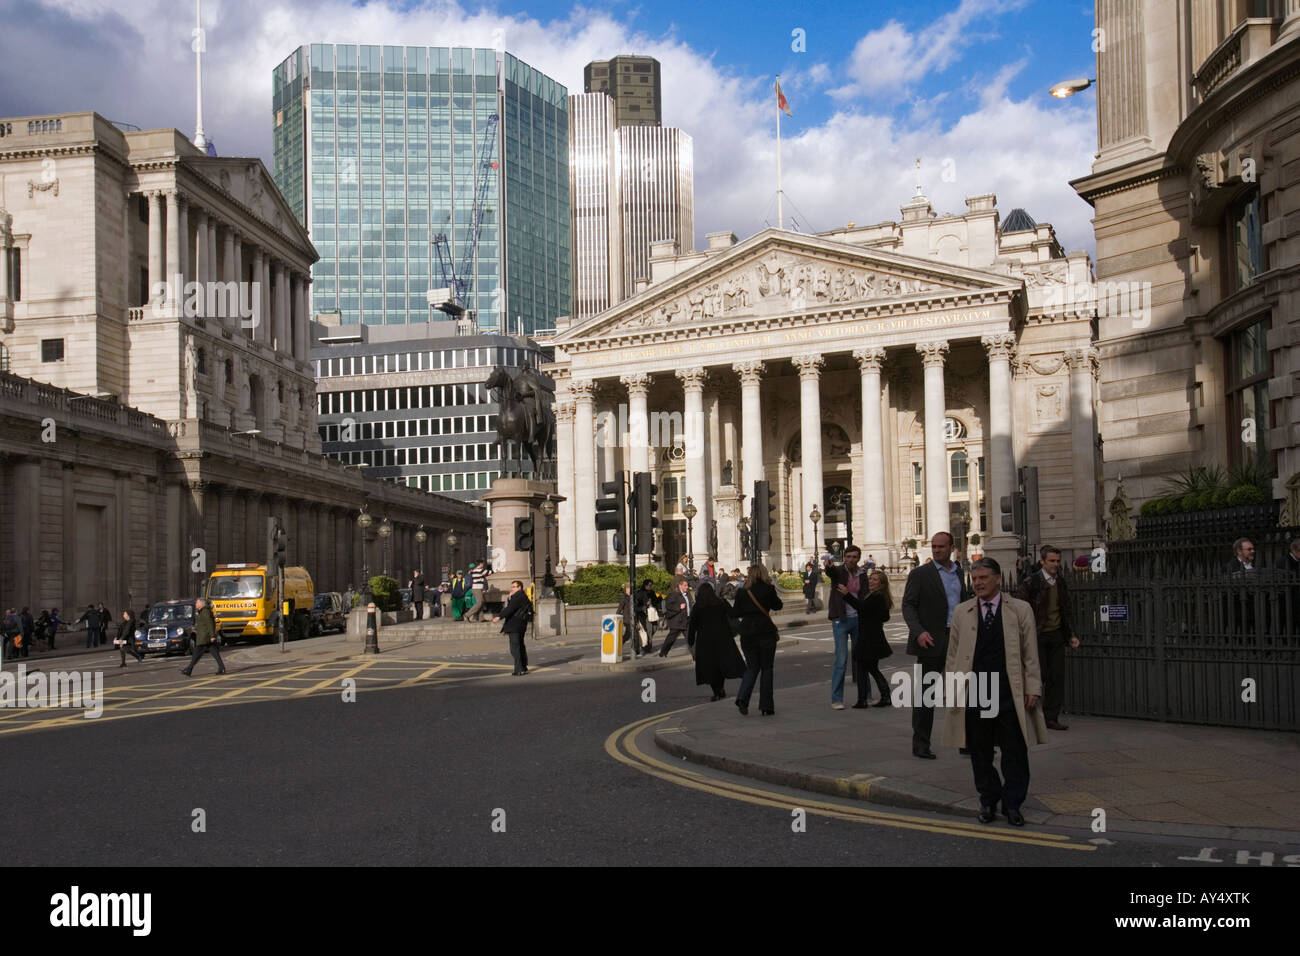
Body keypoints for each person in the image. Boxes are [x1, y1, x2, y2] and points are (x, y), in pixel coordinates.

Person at [941, 556, 1048, 827]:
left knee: (1015, 751)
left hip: (1009, 692)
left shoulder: (1020, 609)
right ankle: (988, 799)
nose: (978, 583)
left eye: (984, 578)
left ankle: (1012, 804)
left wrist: (1033, 687)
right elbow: (953, 655)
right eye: (975, 579)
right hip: (976, 692)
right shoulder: (962, 611)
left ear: (998, 579)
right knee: (980, 752)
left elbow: (1030, 653)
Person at [902, 531, 971, 759]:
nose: (937, 550)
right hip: (931, 640)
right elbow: (908, 606)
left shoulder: (958, 572)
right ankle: (921, 744)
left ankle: (964, 741)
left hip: (957, 637)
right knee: (926, 695)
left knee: (962, 691)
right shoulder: (920, 574)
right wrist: (919, 632)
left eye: (941, 546)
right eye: (934, 546)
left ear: (952, 547)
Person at [1015, 545, 1080, 731]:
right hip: (1038, 634)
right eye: (1052, 561)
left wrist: (1071, 634)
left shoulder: (1060, 582)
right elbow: (1020, 609)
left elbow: (1066, 610)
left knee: (1056, 677)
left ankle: (1051, 717)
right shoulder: (1031, 582)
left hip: (1057, 634)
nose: (1055, 564)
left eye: (1058, 561)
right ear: (1042, 561)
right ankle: (1030, 715)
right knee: (1039, 674)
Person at [731, 564, 783, 716]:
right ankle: (766, 706)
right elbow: (778, 606)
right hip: (765, 632)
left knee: (752, 667)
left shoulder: (742, 591)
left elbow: (736, 612)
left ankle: (742, 698)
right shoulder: (768, 589)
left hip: (747, 633)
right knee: (767, 668)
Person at [838, 569, 894, 708]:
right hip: (871, 635)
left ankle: (879, 697)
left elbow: (861, 608)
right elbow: (884, 616)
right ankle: (865, 698)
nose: (871, 581)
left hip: (870, 637)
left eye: (875, 579)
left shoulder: (877, 596)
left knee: (868, 668)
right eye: (870, 578)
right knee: (866, 668)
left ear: (881, 583)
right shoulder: (877, 595)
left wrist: (847, 594)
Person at [823, 546, 871, 709]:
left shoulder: (862, 574)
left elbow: (864, 595)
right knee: (841, 660)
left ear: (859, 558)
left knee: (862, 658)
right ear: (844, 557)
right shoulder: (839, 571)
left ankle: (866, 695)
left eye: (854, 557)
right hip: (841, 619)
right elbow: (831, 573)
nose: (851, 560)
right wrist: (828, 566)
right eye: (848, 556)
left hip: (858, 619)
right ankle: (837, 699)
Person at [689, 582, 746, 700]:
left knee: (710, 667)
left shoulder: (698, 606)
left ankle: (716, 691)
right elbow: (733, 614)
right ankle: (721, 688)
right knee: (721, 665)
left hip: (705, 641)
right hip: (722, 638)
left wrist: (691, 639)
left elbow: (692, 624)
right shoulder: (720, 603)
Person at [493, 580, 533, 675]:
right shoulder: (522, 596)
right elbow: (515, 607)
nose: (512, 589)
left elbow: (510, 608)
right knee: (520, 646)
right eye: (511, 587)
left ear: (519, 587)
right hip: (521, 624)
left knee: (515, 648)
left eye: (514, 587)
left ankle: (518, 669)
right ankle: (523, 667)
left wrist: (499, 617)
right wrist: (510, 598)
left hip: (515, 625)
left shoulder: (518, 596)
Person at [181, 598, 226, 676]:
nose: (196, 604)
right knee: (215, 653)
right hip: (205, 636)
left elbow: (210, 624)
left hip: (205, 637)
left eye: (197, 603)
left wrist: (212, 636)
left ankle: (189, 669)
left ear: (201, 604)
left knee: (196, 654)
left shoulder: (205, 612)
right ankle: (221, 668)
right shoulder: (202, 611)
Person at [659, 576, 692, 657]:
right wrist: (679, 607)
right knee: (671, 639)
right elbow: (669, 606)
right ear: (680, 586)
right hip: (677, 621)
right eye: (685, 585)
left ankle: (695, 656)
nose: (687, 587)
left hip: (686, 620)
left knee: (690, 639)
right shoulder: (673, 594)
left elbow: (690, 606)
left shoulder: (688, 595)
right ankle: (663, 652)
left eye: (687, 585)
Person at [617, 583, 649, 658]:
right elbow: (620, 608)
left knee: (628, 635)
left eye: (630, 588)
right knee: (635, 635)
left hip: (633, 618)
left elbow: (635, 609)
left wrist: (641, 609)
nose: (629, 590)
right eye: (628, 588)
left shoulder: (633, 597)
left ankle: (618, 646)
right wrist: (617, 616)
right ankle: (636, 651)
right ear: (625, 589)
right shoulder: (624, 597)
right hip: (627, 619)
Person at [638, 580, 660, 654]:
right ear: (645, 586)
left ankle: (647, 641)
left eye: (652, 585)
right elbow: (638, 604)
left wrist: (659, 597)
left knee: (655, 627)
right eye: (650, 585)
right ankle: (648, 647)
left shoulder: (652, 592)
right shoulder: (640, 593)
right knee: (649, 630)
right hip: (645, 615)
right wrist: (645, 606)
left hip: (653, 613)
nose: (651, 587)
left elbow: (655, 601)